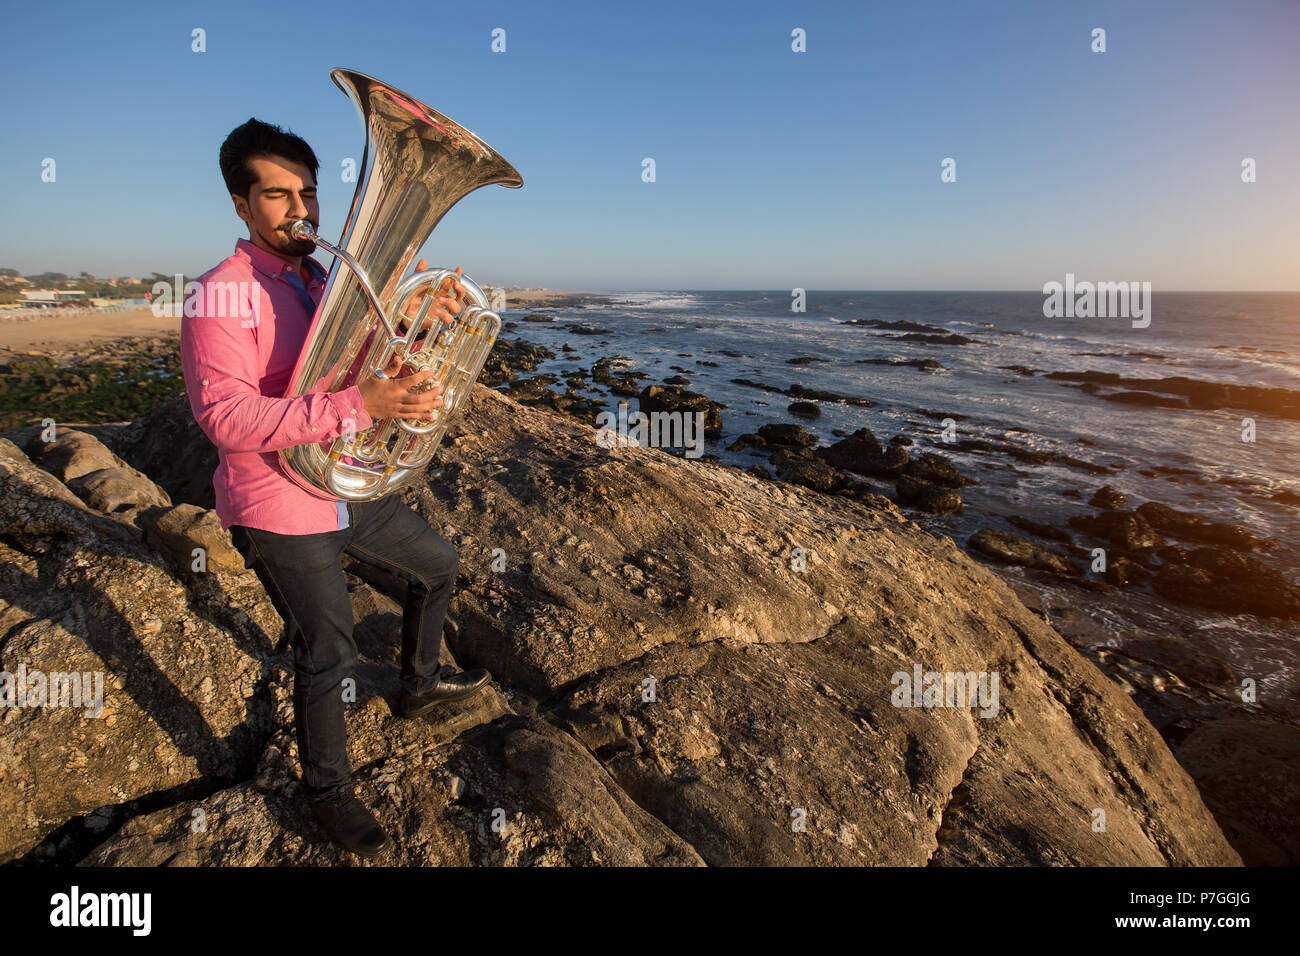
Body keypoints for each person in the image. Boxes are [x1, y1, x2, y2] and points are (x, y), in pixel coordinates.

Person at [180, 117, 491, 859]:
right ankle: (327, 790)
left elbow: (360, 361)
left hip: (341, 481)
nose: (303, 212)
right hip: (277, 500)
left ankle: (418, 686)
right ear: (240, 204)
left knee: (439, 567)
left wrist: (414, 326)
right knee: (330, 651)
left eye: (310, 194)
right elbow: (225, 418)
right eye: (279, 196)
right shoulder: (217, 295)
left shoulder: (322, 280)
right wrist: (364, 407)